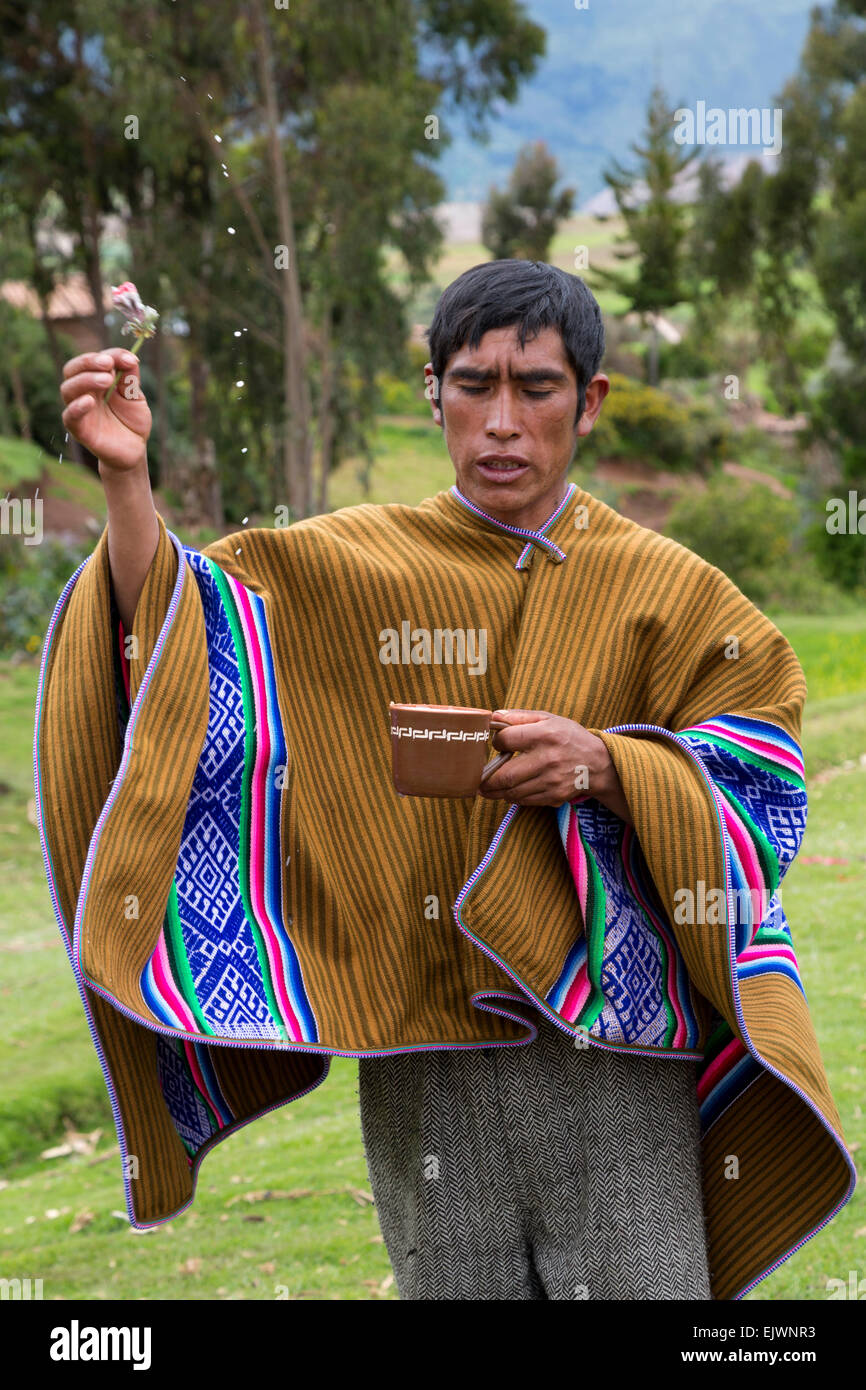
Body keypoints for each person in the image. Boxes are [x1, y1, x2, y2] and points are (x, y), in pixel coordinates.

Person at [39, 260, 854, 1301]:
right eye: (472, 385)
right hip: (423, 1067)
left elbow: (765, 787)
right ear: (433, 393)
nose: (501, 421)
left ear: (589, 400)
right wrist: (125, 481)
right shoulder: (352, 567)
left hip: (615, 1065)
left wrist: (608, 765)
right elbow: (179, 642)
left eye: (536, 387)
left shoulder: (674, 594)